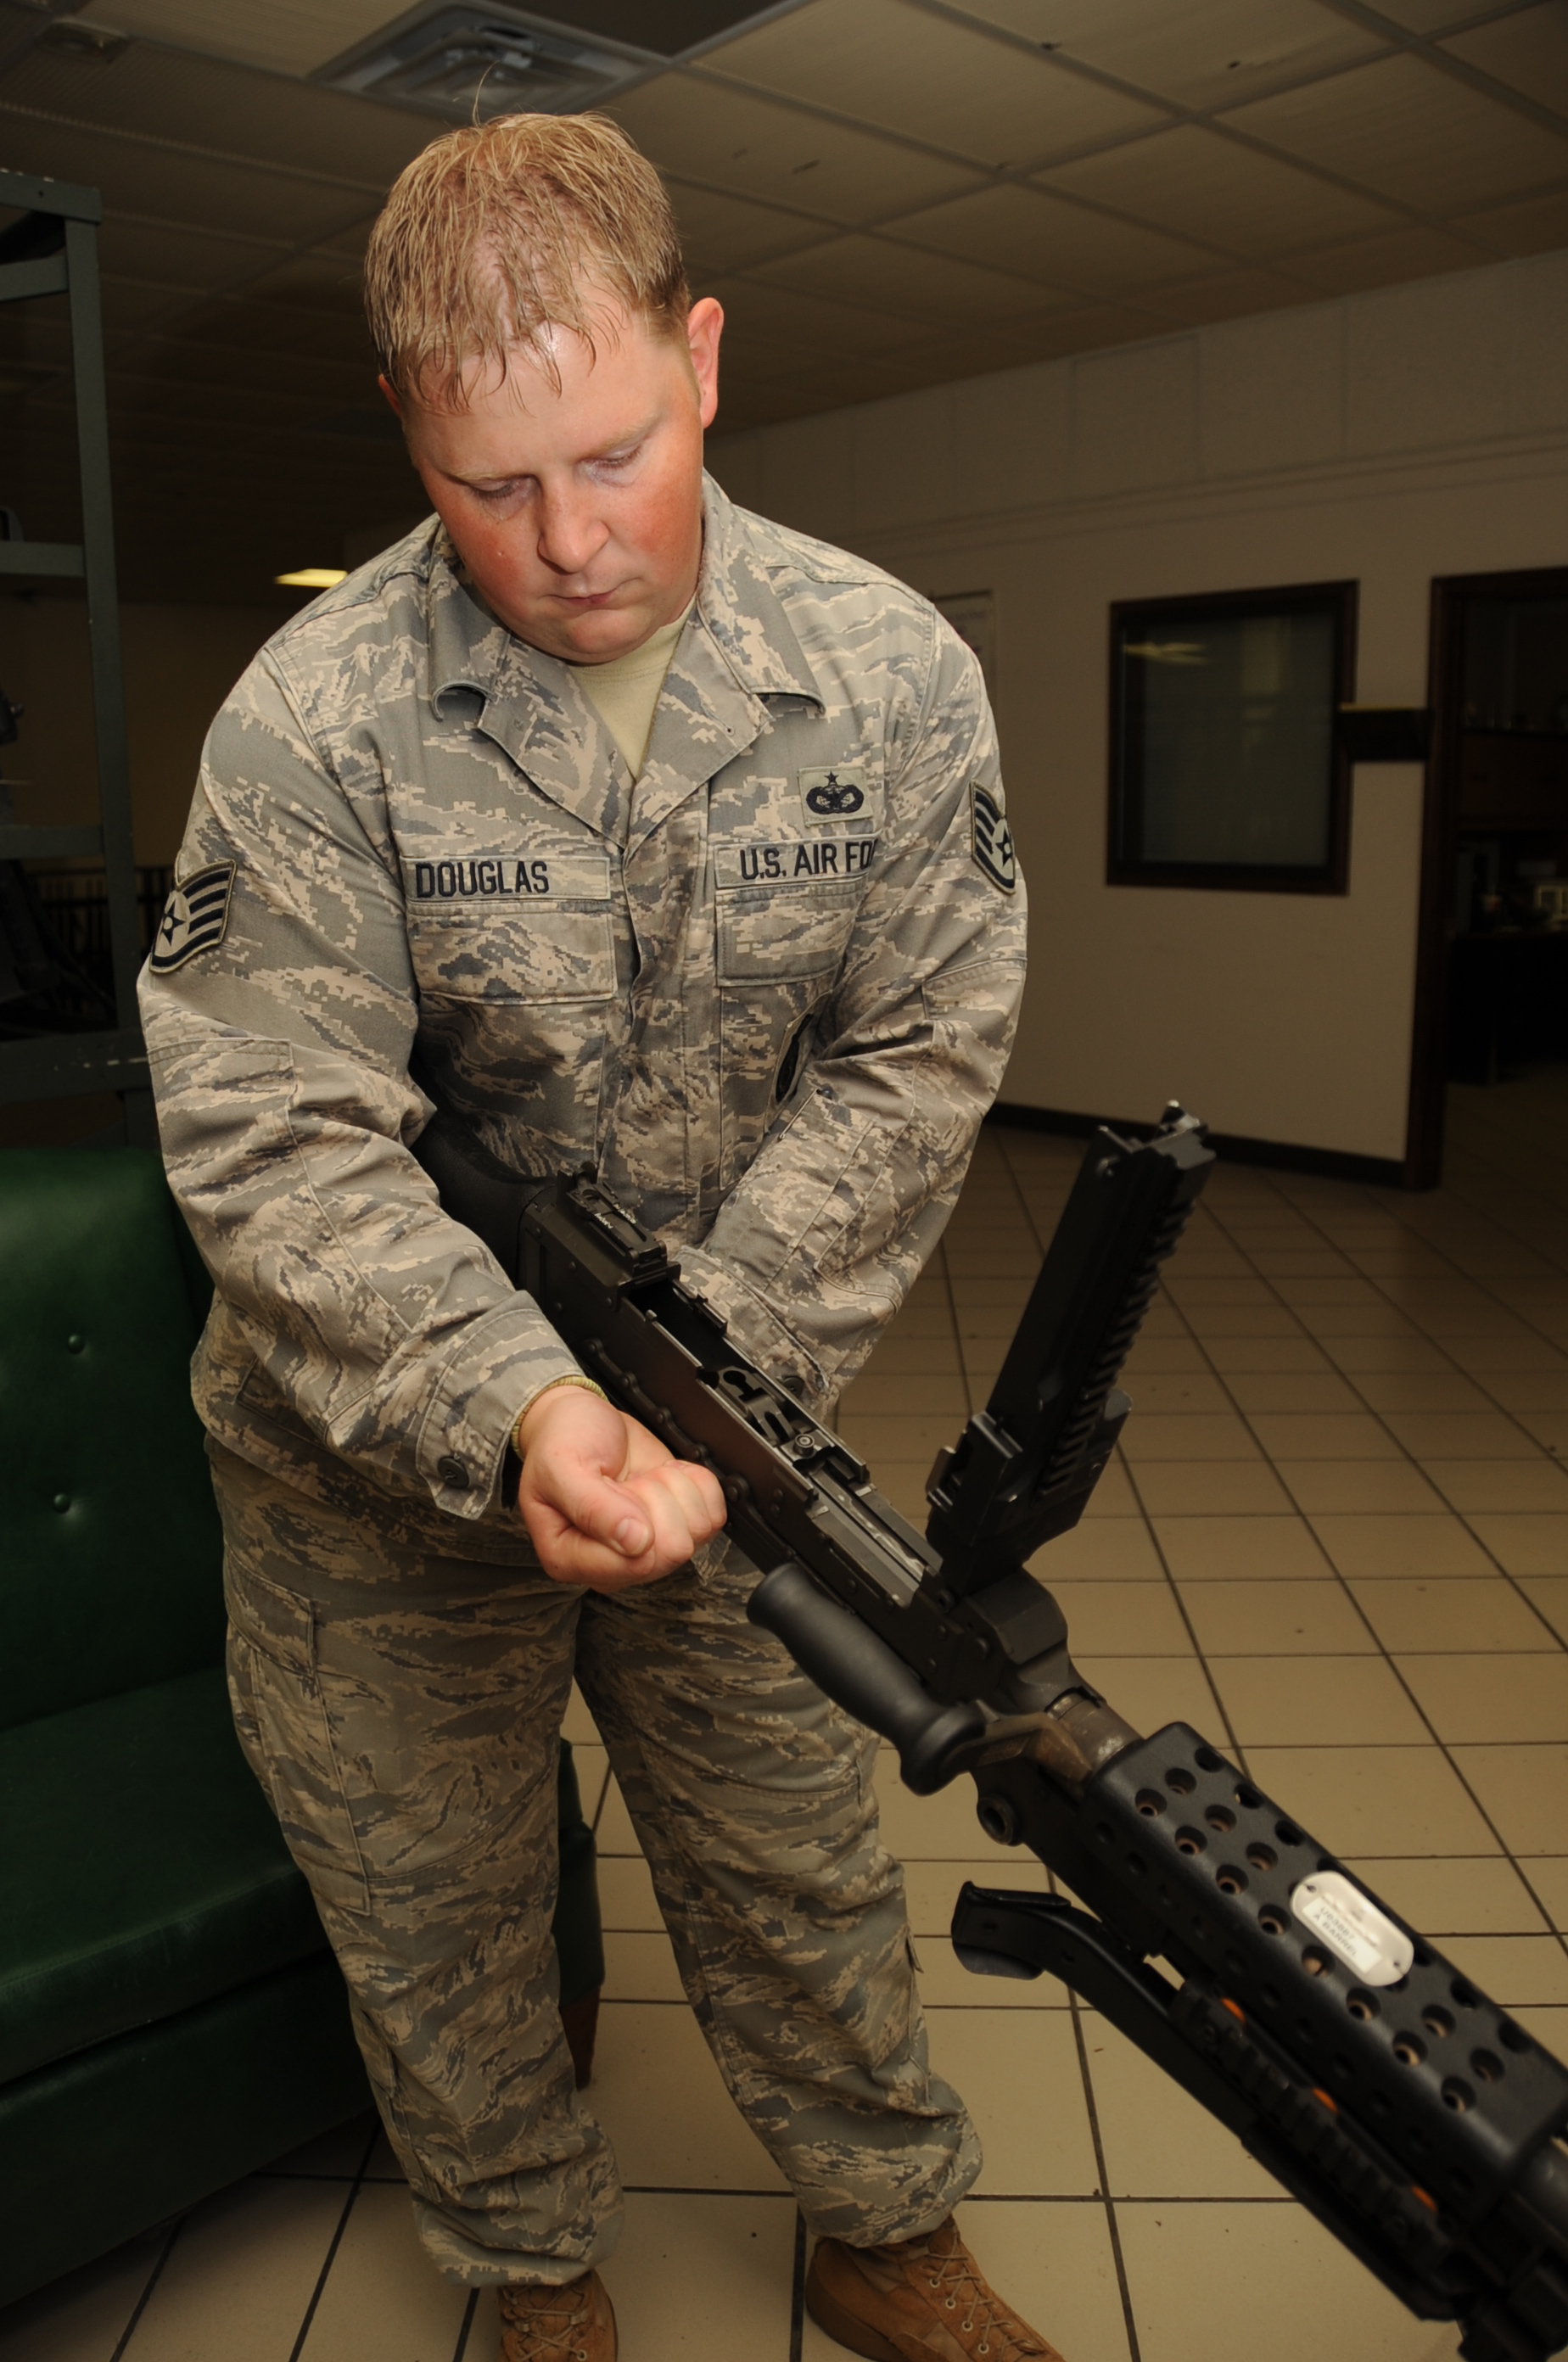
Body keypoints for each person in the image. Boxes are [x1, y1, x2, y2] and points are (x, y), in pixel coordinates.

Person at [138, 110, 1044, 2362]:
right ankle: (534, 2271)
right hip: (376, 1461)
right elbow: (275, 1137)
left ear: (704, 355)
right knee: (434, 1911)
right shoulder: (314, 718)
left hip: (727, 1437)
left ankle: (880, 2223)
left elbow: (921, 1045)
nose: (565, 545)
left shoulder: (893, 673)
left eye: (614, 455)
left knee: (794, 1852)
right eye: (488, 484)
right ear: (406, 436)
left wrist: (702, 1368)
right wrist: (527, 1403)